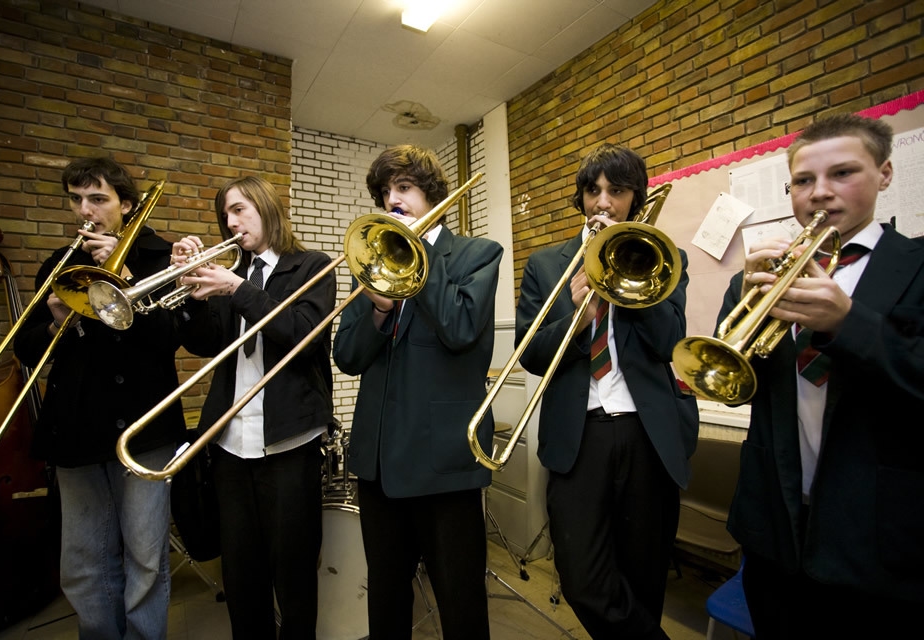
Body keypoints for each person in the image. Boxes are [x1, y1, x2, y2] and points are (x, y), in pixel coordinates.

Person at [719, 114, 924, 637]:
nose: (820, 194)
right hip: (774, 525)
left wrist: (848, 323)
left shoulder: (917, 264)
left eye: (843, 174)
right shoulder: (764, 274)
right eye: (804, 181)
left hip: (878, 533)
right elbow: (733, 381)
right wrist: (741, 311)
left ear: (884, 174)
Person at [516, 143, 698, 639]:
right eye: (593, 190)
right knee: (581, 578)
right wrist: (577, 320)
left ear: (635, 199)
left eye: (616, 191)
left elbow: (667, 343)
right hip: (580, 437)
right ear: (580, 197)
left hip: (647, 434)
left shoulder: (665, 257)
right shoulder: (546, 264)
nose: (603, 202)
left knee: (643, 581)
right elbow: (530, 354)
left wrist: (631, 278)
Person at [13, 156, 195, 639]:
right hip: (75, 427)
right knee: (84, 560)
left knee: (144, 556)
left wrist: (126, 279)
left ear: (127, 205)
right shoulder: (60, 263)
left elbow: (169, 337)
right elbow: (26, 349)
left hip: (143, 428)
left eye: (97, 199)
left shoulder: (159, 256)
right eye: (76, 199)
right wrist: (55, 320)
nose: (84, 211)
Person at [332, 145, 502, 639]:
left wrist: (417, 252)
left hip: (444, 463)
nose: (392, 200)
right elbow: (347, 356)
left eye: (403, 188)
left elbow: (461, 329)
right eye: (385, 192)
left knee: (460, 600)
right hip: (380, 464)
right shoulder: (371, 262)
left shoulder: (476, 254)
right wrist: (379, 310)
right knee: (386, 595)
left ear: (432, 196)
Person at [174, 176, 335, 639]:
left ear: (266, 208)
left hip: (289, 445)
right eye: (226, 214)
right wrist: (189, 294)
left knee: (295, 576)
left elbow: (303, 338)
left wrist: (238, 288)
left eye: (240, 209)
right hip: (229, 446)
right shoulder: (232, 274)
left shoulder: (311, 266)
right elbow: (204, 343)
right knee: (242, 580)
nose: (231, 221)